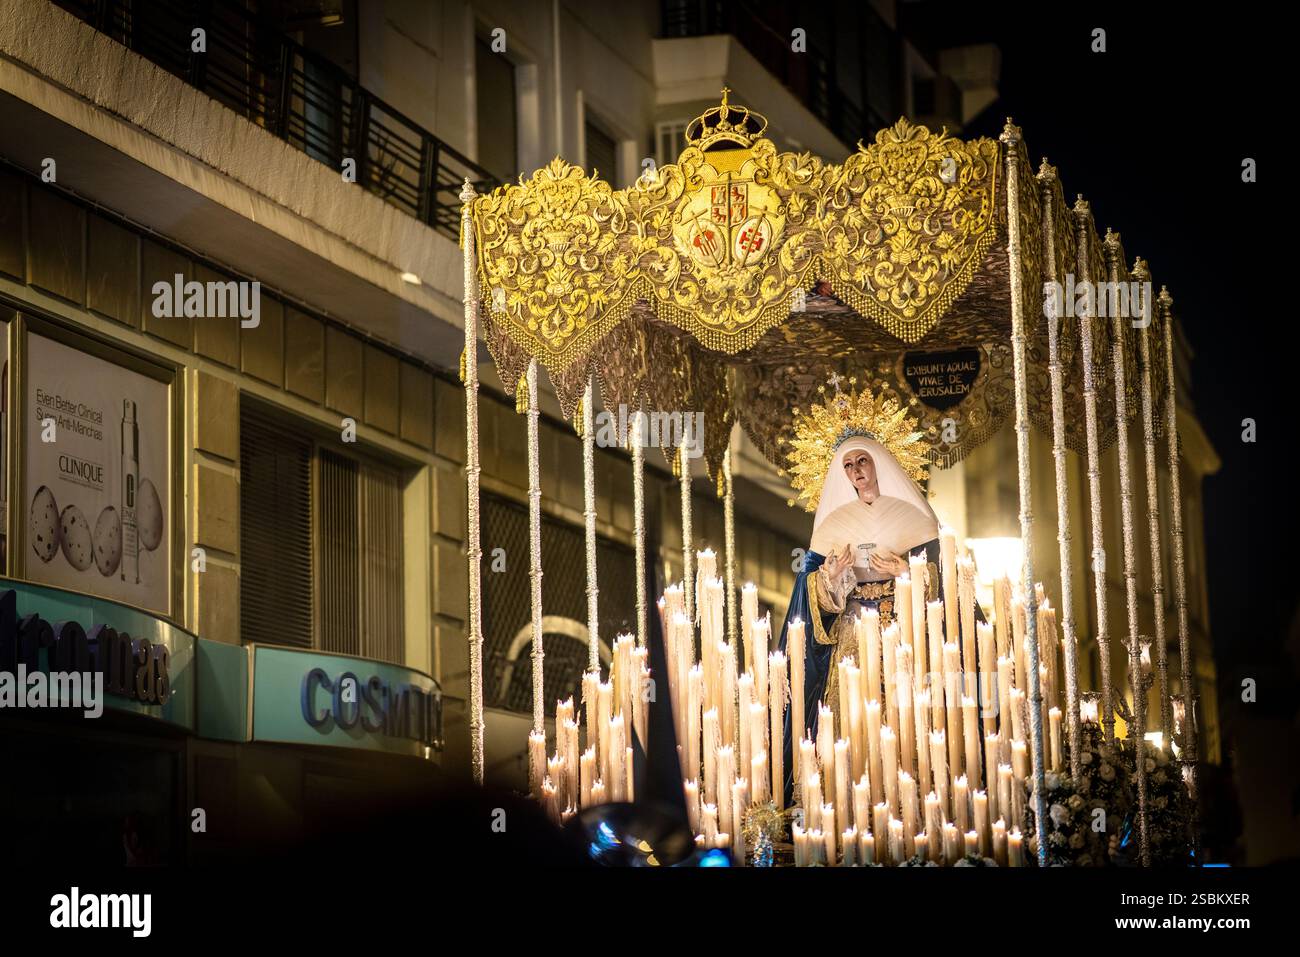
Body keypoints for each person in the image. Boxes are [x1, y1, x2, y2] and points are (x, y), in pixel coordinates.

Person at [776, 383, 967, 807]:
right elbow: (808, 609)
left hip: (901, 641)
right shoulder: (831, 528)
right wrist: (833, 578)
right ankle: (846, 808)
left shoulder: (917, 523)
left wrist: (908, 572)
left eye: (863, 460)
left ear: (879, 463)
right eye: (848, 465)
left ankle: (909, 806)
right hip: (850, 647)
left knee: (903, 726)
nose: (857, 470)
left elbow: (948, 595)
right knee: (849, 727)